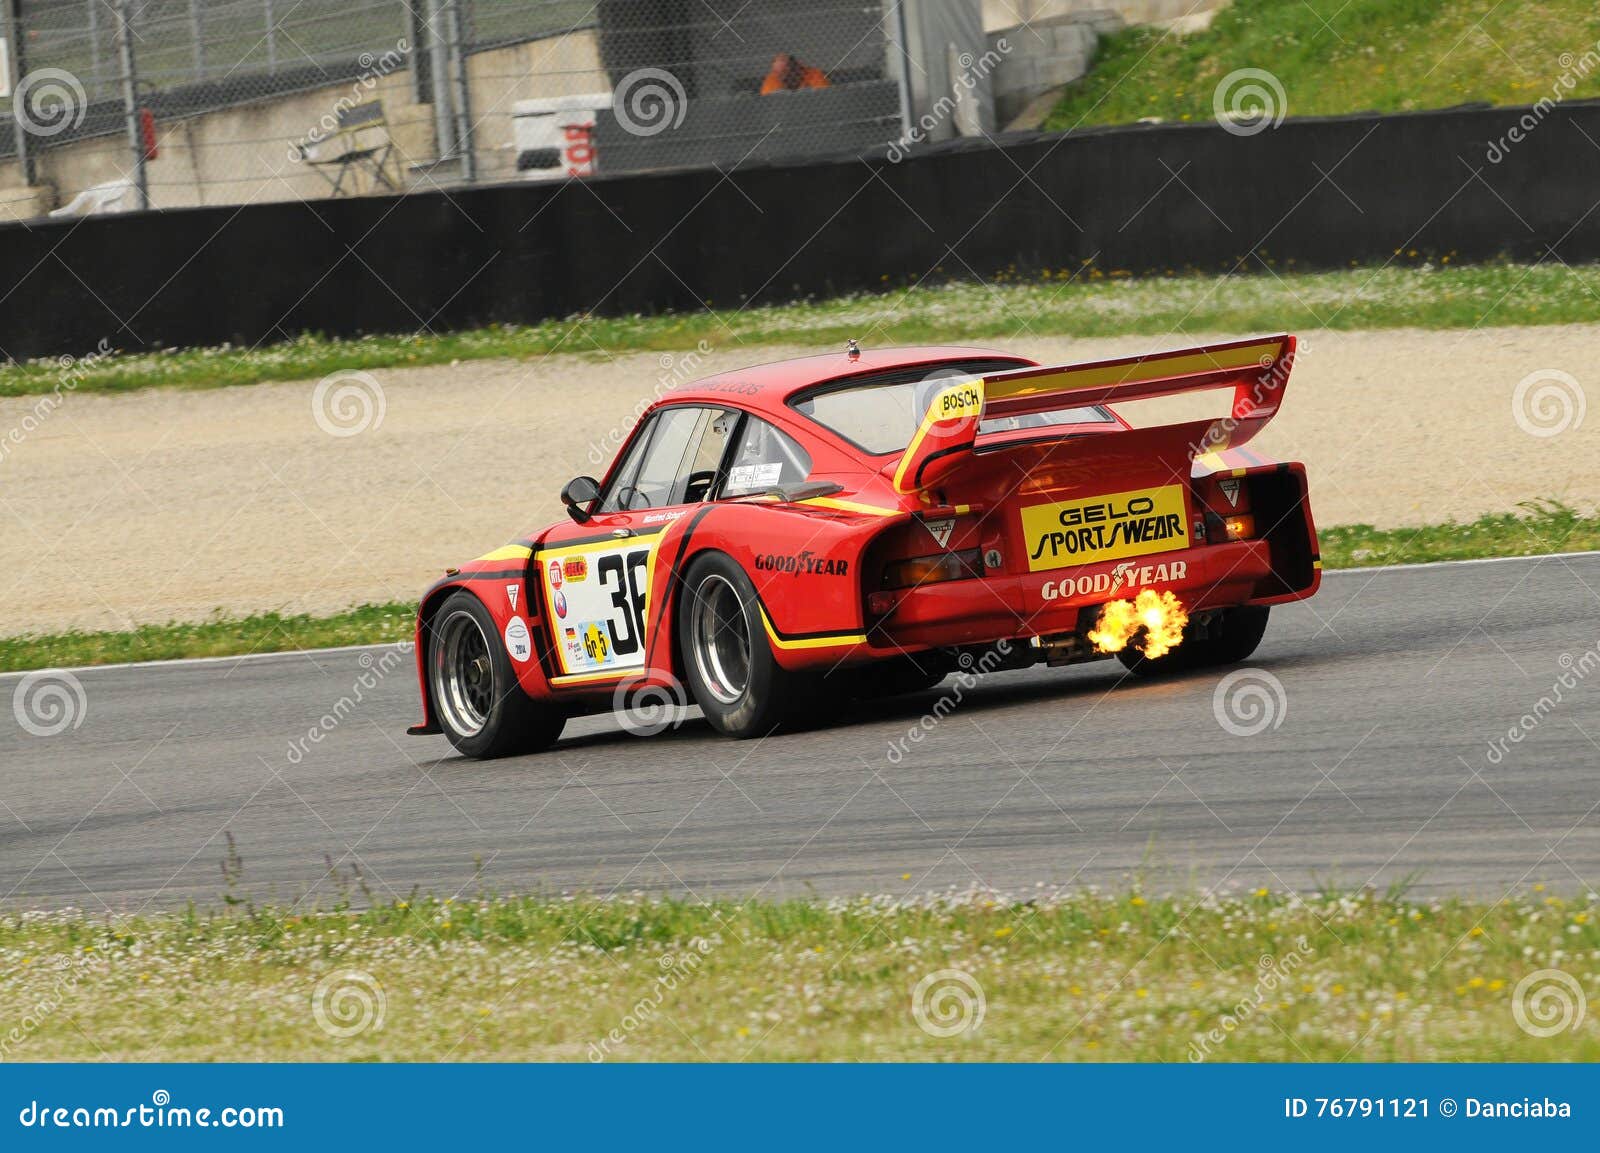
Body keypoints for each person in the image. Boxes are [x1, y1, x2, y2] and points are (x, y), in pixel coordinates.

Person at [759, 52, 830, 94]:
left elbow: (823, 92)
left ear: (795, 65)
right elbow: (768, 98)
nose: (783, 76)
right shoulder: (772, 78)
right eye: (779, 73)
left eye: (786, 69)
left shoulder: (812, 74)